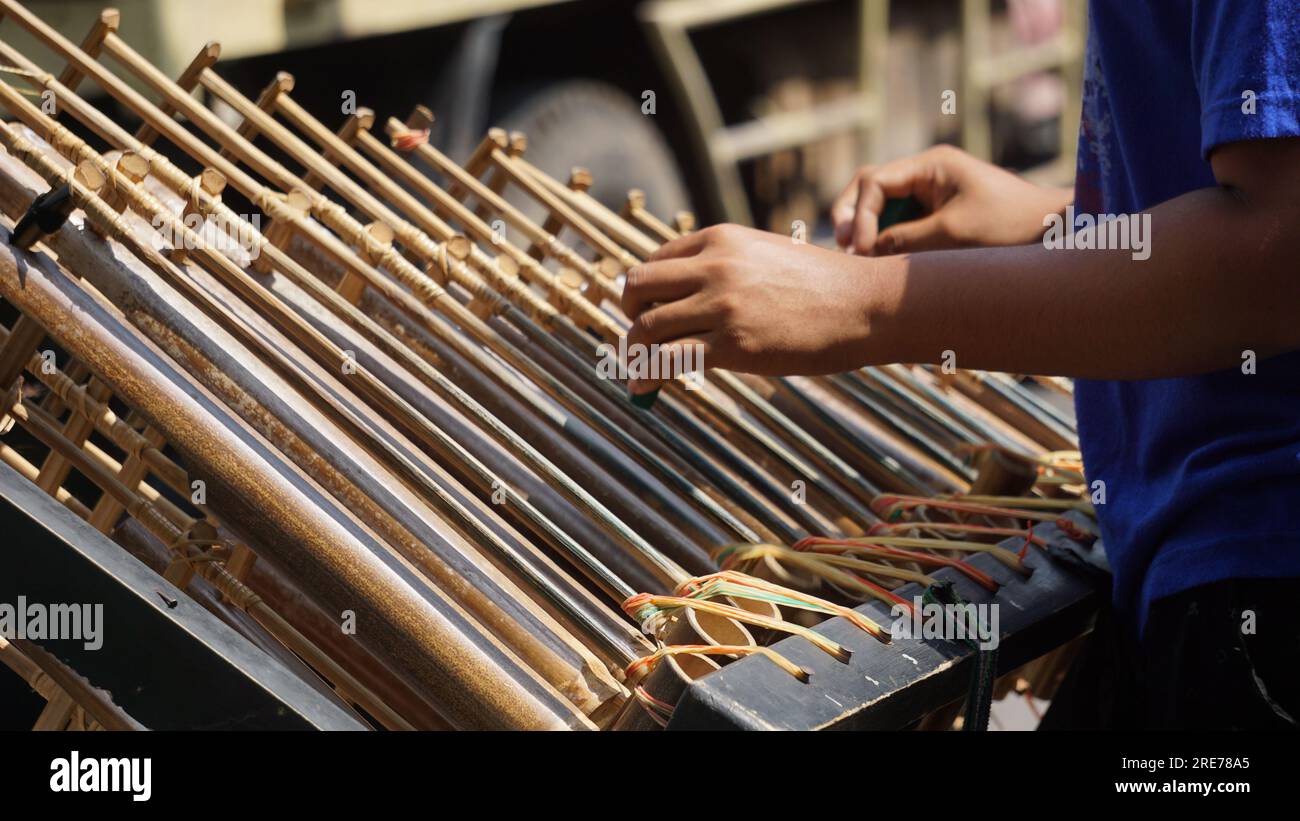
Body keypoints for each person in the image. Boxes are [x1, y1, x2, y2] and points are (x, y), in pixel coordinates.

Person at [621, 1, 1300, 729]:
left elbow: (1275, 252)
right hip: (1196, 564)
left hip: (1261, 599)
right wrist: (1053, 224)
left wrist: (862, 303)